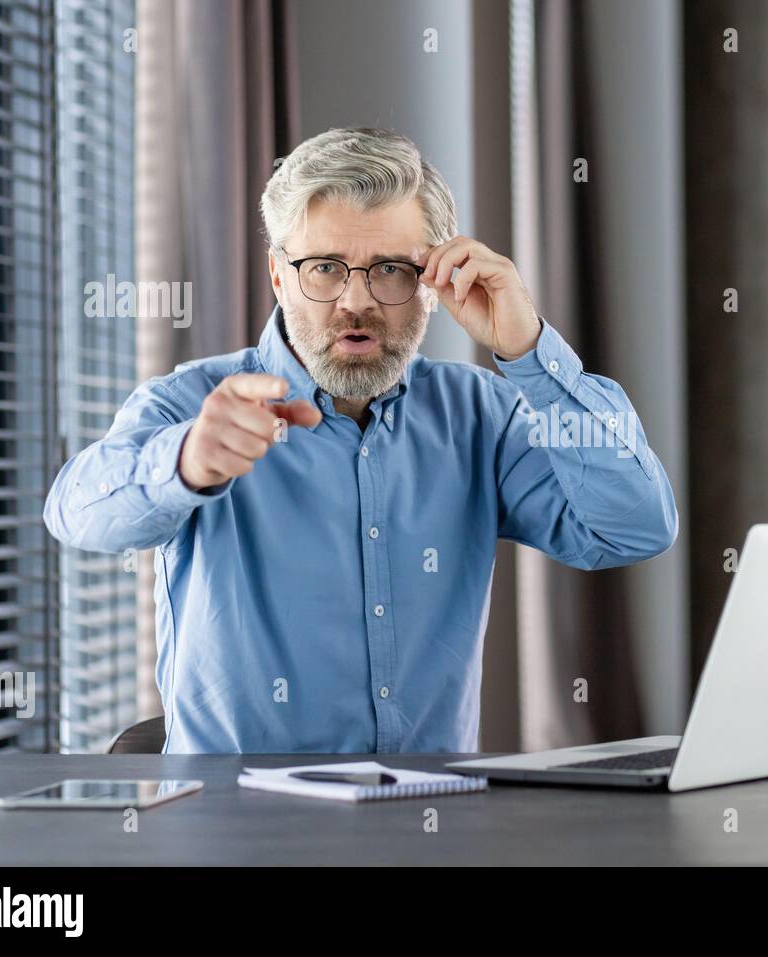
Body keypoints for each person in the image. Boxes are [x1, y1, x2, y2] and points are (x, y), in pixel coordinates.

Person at [43, 127, 678, 753]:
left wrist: (529, 350)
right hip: (237, 835)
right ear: (278, 276)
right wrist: (185, 462)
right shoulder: (194, 404)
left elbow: (634, 527)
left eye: (391, 271)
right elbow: (75, 513)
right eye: (323, 268)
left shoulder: (484, 415)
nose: (356, 302)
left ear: (435, 280)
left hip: (427, 827)